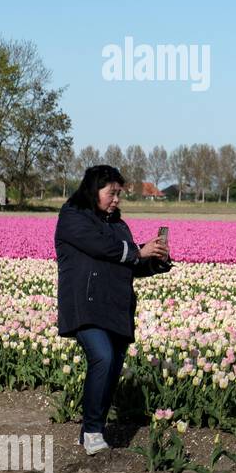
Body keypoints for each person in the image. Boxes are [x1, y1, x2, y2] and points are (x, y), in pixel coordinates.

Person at [55, 165, 172, 455]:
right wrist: (138, 250)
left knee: (112, 367)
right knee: (102, 357)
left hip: (116, 307)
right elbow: (101, 247)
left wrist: (155, 260)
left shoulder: (118, 225)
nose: (117, 199)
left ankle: (90, 430)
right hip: (85, 305)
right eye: (112, 193)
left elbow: (129, 263)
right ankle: (93, 430)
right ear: (93, 190)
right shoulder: (72, 217)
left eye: (119, 193)